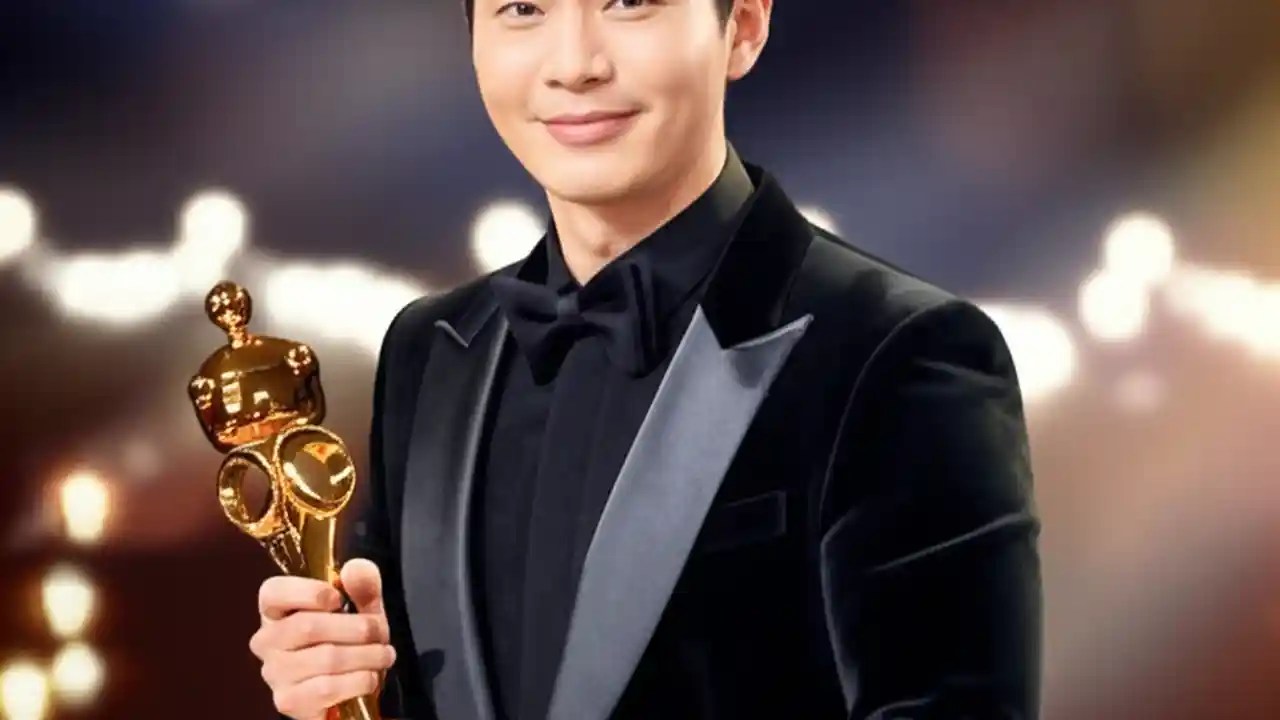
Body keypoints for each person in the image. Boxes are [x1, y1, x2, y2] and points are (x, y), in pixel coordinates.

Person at [248, 0, 1043, 718]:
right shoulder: (431, 353)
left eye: (630, 2)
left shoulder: (902, 353)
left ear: (745, 26)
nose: (575, 63)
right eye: (523, 9)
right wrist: (340, 685)